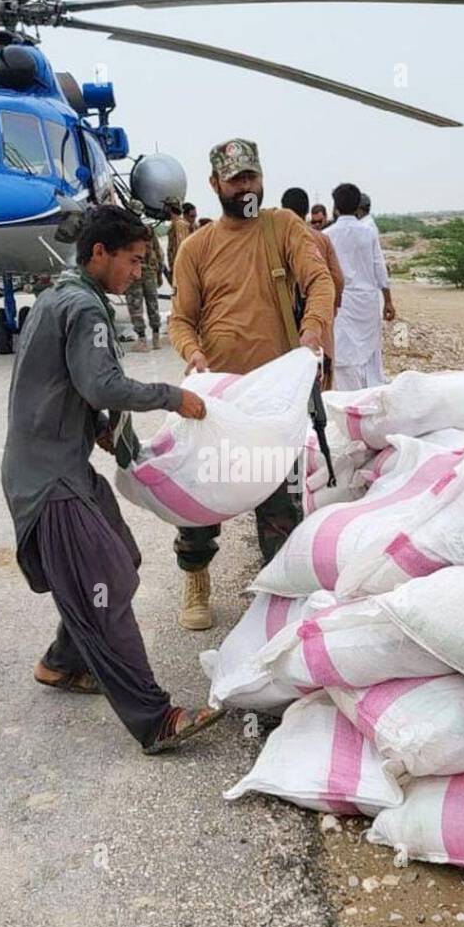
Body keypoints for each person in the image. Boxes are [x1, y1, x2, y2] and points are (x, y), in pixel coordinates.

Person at [1, 204, 222, 754]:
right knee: (107, 589)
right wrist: (174, 397)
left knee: (121, 558)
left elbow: (65, 383)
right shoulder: (84, 307)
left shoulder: (61, 295)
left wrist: (98, 426)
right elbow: (101, 384)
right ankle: (154, 718)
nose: (137, 272)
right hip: (51, 480)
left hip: (62, 466)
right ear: (99, 252)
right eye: (132, 260)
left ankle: (62, 663)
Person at [168, 138, 334, 630]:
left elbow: (320, 281)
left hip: (274, 401)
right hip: (217, 400)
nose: (247, 187)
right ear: (216, 184)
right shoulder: (197, 248)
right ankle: (196, 578)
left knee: (279, 501)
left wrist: (312, 332)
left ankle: (277, 594)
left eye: (252, 177)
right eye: (237, 179)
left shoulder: (282, 227)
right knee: (202, 495)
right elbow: (180, 320)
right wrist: (192, 353)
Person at [324, 183, 396, 391]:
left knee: (344, 354)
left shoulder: (328, 235)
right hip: (367, 300)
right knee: (370, 354)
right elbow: (379, 267)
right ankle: (371, 394)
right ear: (358, 206)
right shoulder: (368, 232)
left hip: (341, 302)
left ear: (335, 207)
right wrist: (388, 300)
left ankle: (350, 399)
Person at [281, 186, 344, 387]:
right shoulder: (321, 238)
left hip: (284, 323)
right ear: (306, 210)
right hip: (316, 319)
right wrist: (333, 307)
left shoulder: (273, 241)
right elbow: (337, 278)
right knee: (322, 375)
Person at [125, 221, 164, 350]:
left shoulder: (128, 230)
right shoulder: (149, 230)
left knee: (135, 306)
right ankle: (156, 338)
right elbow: (159, 253)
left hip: (134, 272)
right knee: (153, 304)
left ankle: (142, 340)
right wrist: (159, 274)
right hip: (150, 272)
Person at [164, 198, 192, 277]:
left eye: (165, 207)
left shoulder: (179, 224)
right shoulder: (177, 223)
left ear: (169, 208)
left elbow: (181, 246)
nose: (163, 209)